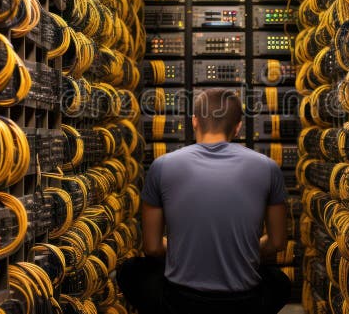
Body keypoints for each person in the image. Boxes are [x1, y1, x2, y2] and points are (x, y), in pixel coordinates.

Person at [117, 88, 291, 314]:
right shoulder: (268, 167)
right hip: (244, 302)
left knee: (129, 271)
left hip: (180, 302)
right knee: (280, 282)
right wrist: (238, 251)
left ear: (194, 121)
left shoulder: (162, 166)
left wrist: (188, 250)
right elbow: (277, 243)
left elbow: (152, 248)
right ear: (238, 127)